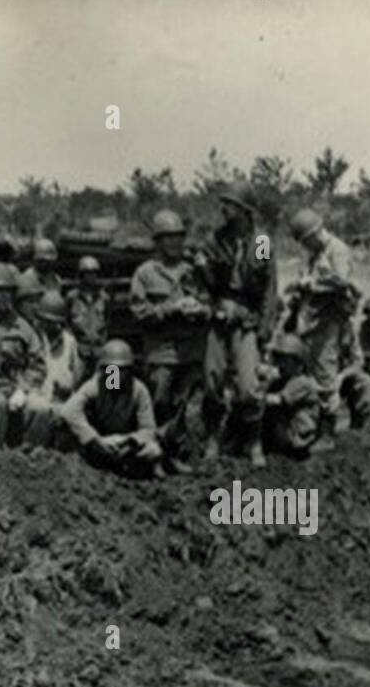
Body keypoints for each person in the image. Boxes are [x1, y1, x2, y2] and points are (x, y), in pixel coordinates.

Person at [198, 182, 276, 468]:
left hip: (247, 319)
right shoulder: (214, 240)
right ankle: (212, 439)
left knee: (248, 386)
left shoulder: (262, 243)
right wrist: (204, 272)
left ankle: (254, 442)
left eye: (229, 205)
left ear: (243, 211)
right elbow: (205, 285)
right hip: (219, 315)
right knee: (212, 380)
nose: (223, 210)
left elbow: (269, 288)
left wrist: (265, 329)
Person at [129, 209, 210, 473]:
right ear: (158, 241)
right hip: (161, 352)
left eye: (178, 237)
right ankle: (152, 458)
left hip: (189, 350)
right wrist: (172, 308)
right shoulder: (145, 274)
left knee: (181, 405)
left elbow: (210, 303)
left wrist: (199, 309)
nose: (175, 243)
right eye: (168, 238)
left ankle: (173, 455)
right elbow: (139, 312)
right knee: (158, 404)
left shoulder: (193, 271)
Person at [283, 207, 358, 452]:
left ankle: (327, 434)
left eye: (305, 241)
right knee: (309, 372)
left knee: (325, 375)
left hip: (329, 322)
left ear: (314, 234)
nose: (305, 246)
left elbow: (342, 282)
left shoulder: (337, 250)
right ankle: (306, 426)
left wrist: (311, 284)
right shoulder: (312, 254)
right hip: (311, 322)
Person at [60, 338, 164, 478]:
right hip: (98, 444)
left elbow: (148, 429)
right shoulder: (95, 385)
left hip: (125, 446)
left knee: (154, 450)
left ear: (129, 371)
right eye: (111, 370)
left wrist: (128, 440)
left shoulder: (138, 390)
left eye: (121, 370)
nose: (116, 375)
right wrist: (94, 438)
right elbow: (69, 411)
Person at [0, 261, 43, 448]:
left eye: (8, 292)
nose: (4, 297)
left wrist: (23, 389)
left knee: (42, 409)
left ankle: (28, 457)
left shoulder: (22, 327)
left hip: (14, 387)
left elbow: (37, 364)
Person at [20, 291, 81, 449]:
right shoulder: (32, 338)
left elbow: (75, 375)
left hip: (61, 399)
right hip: (36, 396)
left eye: (55, 322)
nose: (51, 325)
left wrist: (68, 389)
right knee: (40, 409)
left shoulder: (70, 342)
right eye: (46, 321)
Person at [258, 333, 320, 458]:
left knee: (269, 411)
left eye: (285, 360)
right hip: (288, 429)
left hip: (298, 436)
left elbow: (276, 400)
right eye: (279, 358)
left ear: (297, 362)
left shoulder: (302, 382)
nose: (281, 364)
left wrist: (253, 397)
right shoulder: (285, 378)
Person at [65, 255, 108, 370]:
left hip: (99, 349)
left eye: (94, 273)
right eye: (88, 273)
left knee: (111, 377)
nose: (92, 276)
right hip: (79, 350)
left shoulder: (104, 298)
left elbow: (108, 321)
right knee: (75, 381)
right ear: (81, 275)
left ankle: (114, 388)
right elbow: (66, 322)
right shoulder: (72, 297)